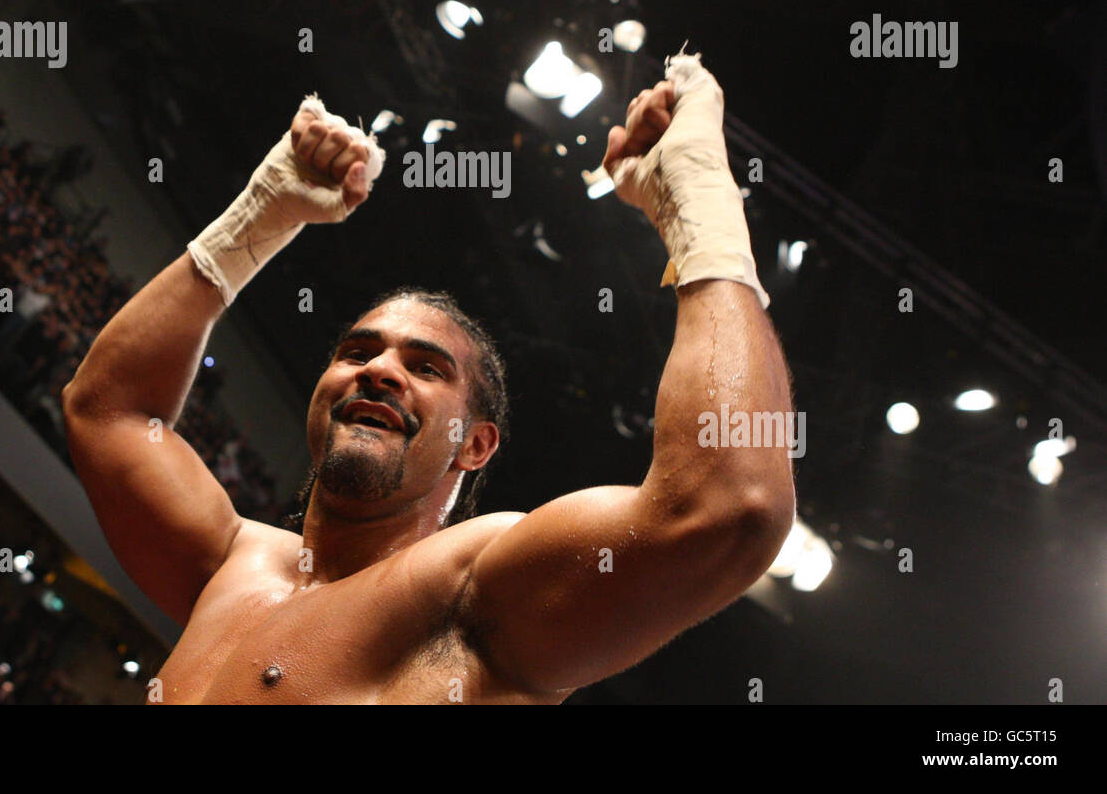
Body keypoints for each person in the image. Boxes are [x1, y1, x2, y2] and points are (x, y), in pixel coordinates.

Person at [64, 57, 796, 704]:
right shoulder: (227, 562)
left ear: (475, 445)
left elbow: (730, 506)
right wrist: (257, 218)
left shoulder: (474, 595)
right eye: (356, 351)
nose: (378, 369)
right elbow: (107, 411)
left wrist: (700, 205)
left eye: (425, 366)